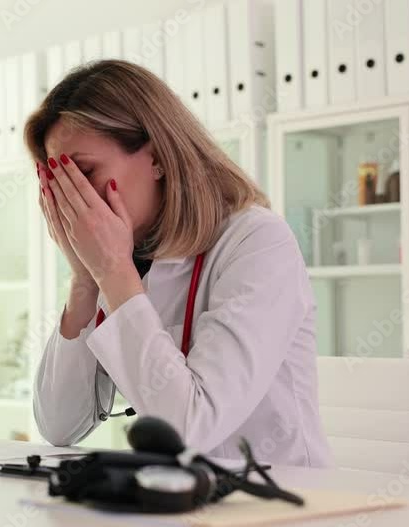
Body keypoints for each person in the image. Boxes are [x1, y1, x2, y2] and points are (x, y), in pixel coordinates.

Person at [26, 60, 331, 467]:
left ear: (158, 158)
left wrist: (114, 273)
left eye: (83, 173)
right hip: (177, 500)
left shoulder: (257, 243)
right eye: (58, 183)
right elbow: (58, 426)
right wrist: (85, 280)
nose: (72, 199)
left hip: (281, 502)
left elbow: (190, 428)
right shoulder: (125, 260)